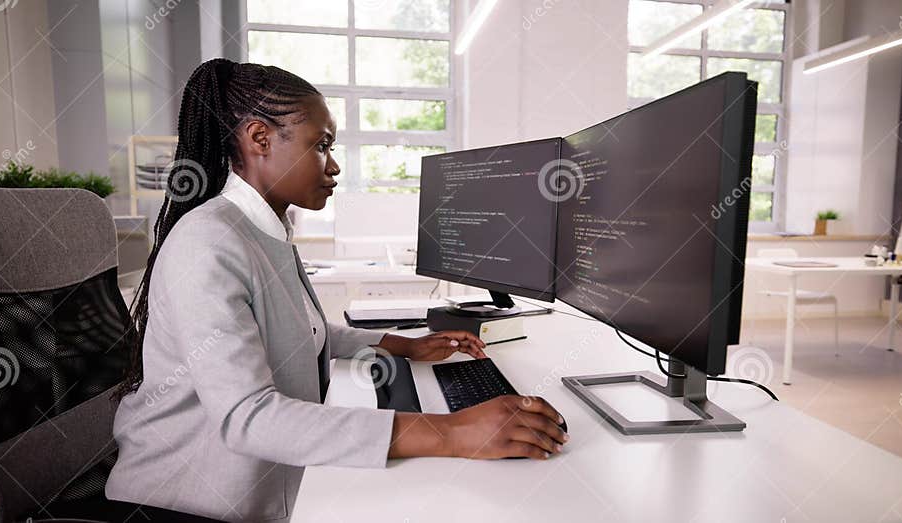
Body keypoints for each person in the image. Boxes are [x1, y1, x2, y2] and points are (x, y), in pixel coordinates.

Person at [105, 58, 568, 522]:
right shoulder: (207, 242)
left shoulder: (265, 228)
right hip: (181, 502)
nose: (334, 165)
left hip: (257, 484)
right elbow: (248, 418)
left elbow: (299, 332)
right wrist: (451, 432)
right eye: (322, 145)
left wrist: (398, 344)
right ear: (260, 138)